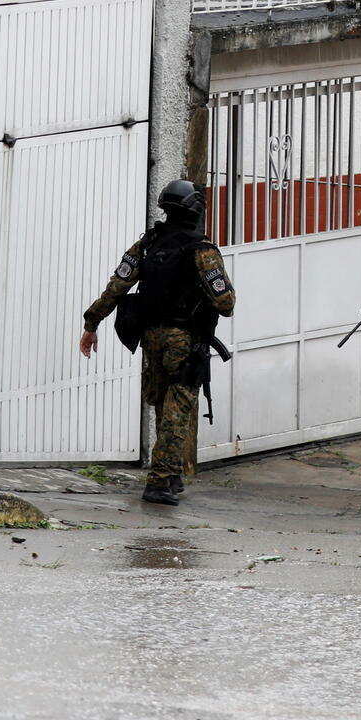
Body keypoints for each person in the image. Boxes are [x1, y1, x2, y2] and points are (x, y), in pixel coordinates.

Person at [79, 179, 236, 506]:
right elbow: (226, 303)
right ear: (195, 210)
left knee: (164, 404)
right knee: (178, 409)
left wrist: (92, 322)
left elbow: (117, 285)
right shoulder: (201, 250)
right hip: (184, 340)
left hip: (151, 337)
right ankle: (160, 481)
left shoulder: (148, 244)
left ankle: (173, 473)